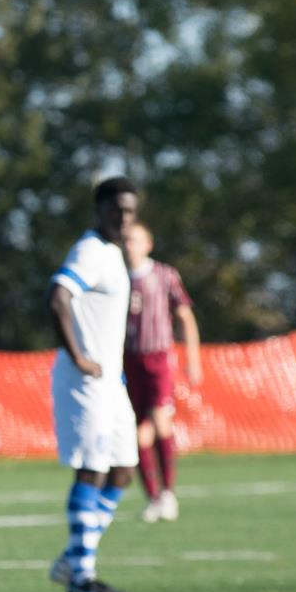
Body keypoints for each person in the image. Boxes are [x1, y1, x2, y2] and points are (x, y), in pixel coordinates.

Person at [45, 176, 140, 592]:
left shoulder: (113, 253)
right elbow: (58, 296)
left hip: (110, 383)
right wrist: (79, 356)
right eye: (116, 209)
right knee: (93, 469)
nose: (123, 217)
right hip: (86, 381)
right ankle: (82, 578)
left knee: (123, 471)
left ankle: (72, 559)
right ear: (99, 209)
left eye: (130, 211)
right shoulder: (90, 250)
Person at [122, 223, 202, 522]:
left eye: (135, 240)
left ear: (148, 244)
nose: (130, 245)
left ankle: (168, 492)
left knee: (159, 419)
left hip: (160, 358)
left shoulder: (164, 275)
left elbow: (184, 315)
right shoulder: (117, 278)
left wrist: (192, 358)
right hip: (130, 360)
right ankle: (154, 497)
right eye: (126, 240)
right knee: (138, 432)